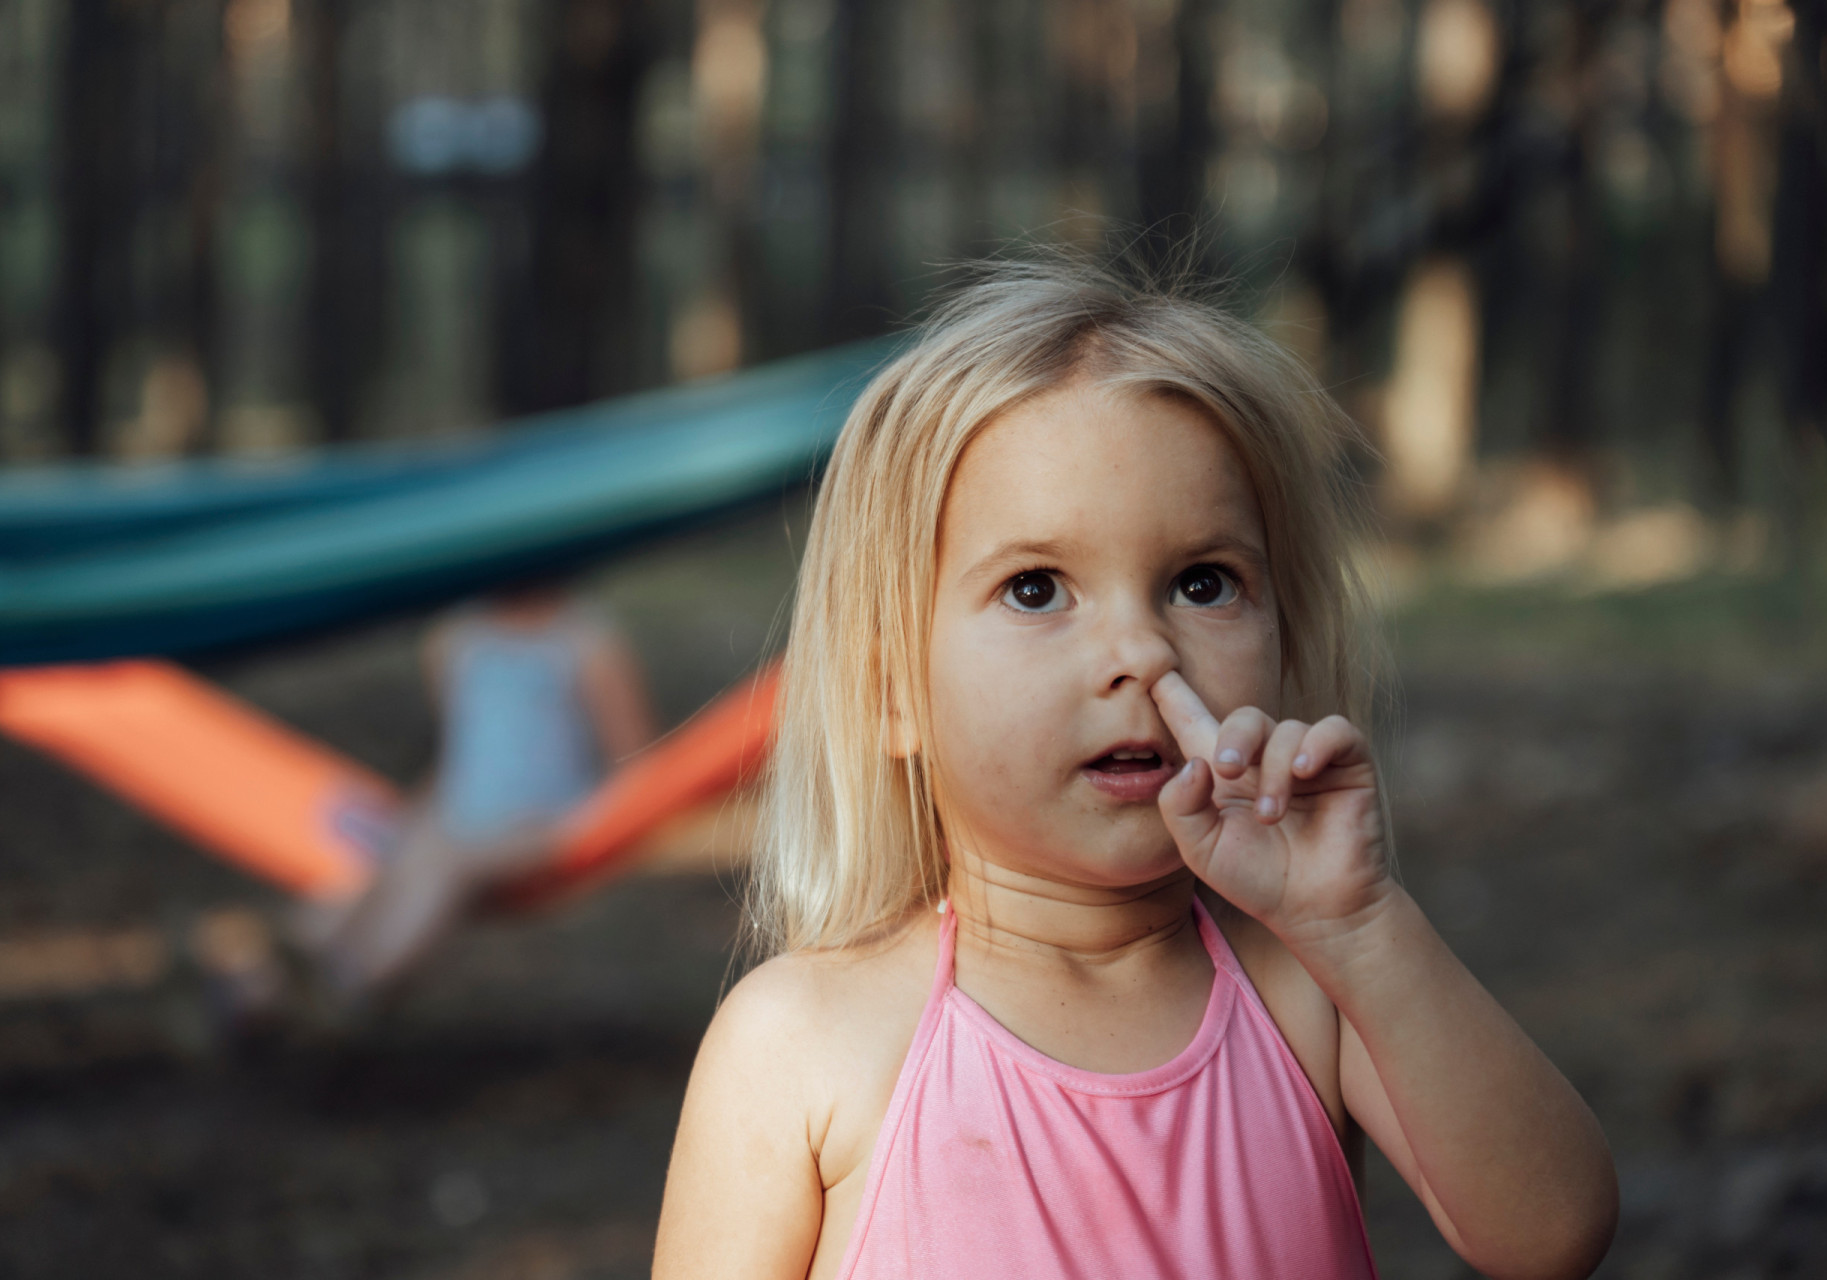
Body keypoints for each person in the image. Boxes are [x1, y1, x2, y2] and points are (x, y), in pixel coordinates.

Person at [653, 258, 1619, 1279]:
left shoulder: (1310, 992)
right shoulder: (801, 1043)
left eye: (1202, 583)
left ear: (1284, 643)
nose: (1144, 652)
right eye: (1036, 589)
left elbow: (1552, 1234)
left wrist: (1360, 925)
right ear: (892, 690)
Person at [307, 580, 656, 995]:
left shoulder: (586, 642)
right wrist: (415, 809)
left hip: (543, 823)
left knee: (442, 864)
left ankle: (349, 985)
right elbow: (463, 749)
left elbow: (635, 760)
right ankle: (297, 958)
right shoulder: (456, 639)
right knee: (384, 851)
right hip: (459, 809)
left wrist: (594, 826)